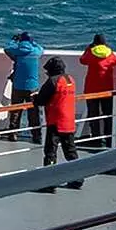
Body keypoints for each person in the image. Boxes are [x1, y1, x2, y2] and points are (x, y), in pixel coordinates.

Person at [34, 58, 83, 190]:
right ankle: (78, 178)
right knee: (71, 151)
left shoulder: (53, 81)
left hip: (55, 120)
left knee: (50, 151)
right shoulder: (70, 80)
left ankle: (49, 182)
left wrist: (34, 98)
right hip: (69, 121)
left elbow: (41, 99)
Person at [79, 34, 116, 149]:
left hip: (92, 89)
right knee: (108, 115)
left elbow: (82, 60)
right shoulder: (109, 53)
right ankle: (109, 139)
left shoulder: (91, 52)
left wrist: (89, 48)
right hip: (107, 89)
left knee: (94, 115)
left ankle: (96, 139)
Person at [4, 32, 45, 144]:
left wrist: (14, 40)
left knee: (15, 111)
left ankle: (13, 134)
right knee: (34, 112)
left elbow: (7, 48)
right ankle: (37, 136)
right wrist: (33, 42)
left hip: (18, 85)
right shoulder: (35, 52)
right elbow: (41, 48)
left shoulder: (17, 51)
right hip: (32, 87)